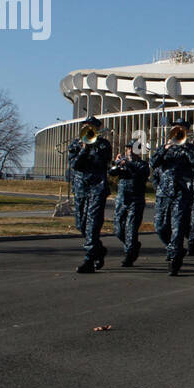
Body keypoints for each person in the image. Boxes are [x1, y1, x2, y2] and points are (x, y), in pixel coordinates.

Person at [150, 120, 194, 276]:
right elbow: (153, 163)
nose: (178, 132)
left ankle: (174, 260)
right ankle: (174, 248)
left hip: (181, 192)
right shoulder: (164, 148)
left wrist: (185, 147)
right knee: (160, 226)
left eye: (182, 130)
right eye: (176, 129)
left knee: (177, 227)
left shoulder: (192, 149)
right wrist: (164, 149)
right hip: (163, 192)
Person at [68, 116, 113, 273]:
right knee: (81, 225)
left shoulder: (103, 145)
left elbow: (101, 163)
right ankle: (98, 250)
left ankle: (89, 258)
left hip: (97, 188)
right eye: (86, 126)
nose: (88, 128)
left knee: (92, 225)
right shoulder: (76, 144)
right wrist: (84, 149)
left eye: (91, 126)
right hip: (80, 188)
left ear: (97, 128)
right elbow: (75, 165)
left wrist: (92, 148)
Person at [110, 142, 150, 266]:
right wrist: (116, 164)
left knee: (131, 229)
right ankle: (132, 246)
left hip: (136, 200)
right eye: (128, 149)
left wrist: (126, 163)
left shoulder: (142, 165)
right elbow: (112, 173)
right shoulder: (123, 163)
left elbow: (140, 172)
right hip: (122, 199)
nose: (130, 152)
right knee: (118, 229)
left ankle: (129, 255)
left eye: (133, 150)